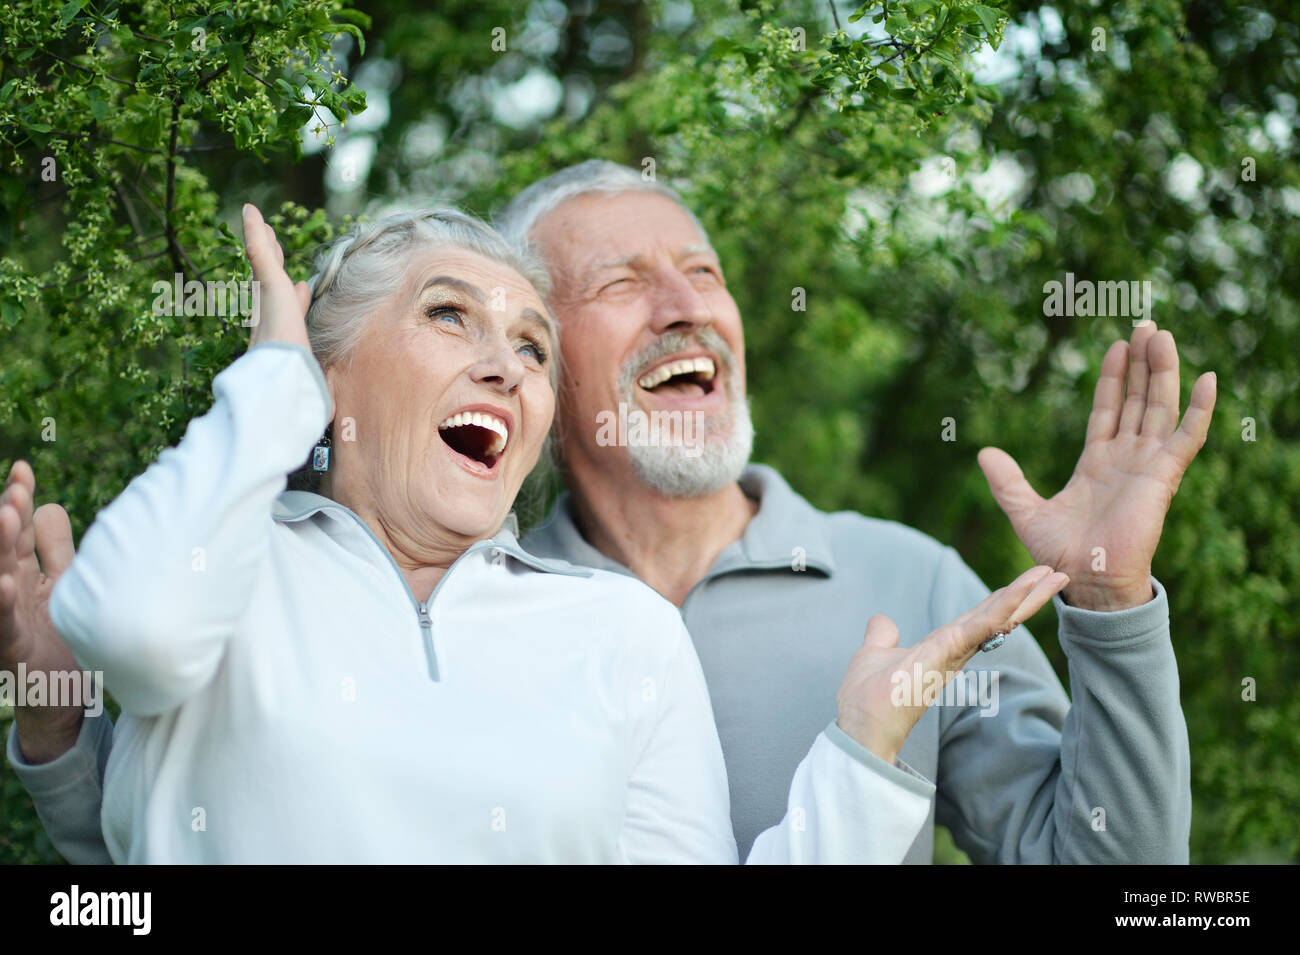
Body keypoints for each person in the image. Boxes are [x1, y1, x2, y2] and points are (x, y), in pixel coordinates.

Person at [8, 160, 1214, 864]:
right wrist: (62, 731)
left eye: (703, 272)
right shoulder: (421, 583)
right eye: (621, 285)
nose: (686, 305)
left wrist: (1108, 604)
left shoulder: (907, 585)